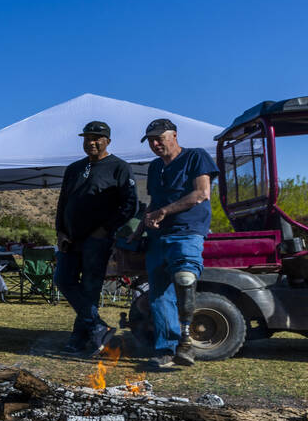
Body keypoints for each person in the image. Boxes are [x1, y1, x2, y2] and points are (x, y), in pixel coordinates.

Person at [54, 121, 138, 354]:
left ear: (107, 141)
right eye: (87, 138)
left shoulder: (119, 167)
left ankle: (78, 339)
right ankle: (98, 327)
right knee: (63, 279)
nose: (91, 142)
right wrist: (60, 231)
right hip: (70, 239)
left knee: (90, 289)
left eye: (96, 138)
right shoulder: (74, 168)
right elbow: (63, 202)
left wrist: (106, 229)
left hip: (98, 240)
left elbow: (130, 204)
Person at [140, 119, 217, 369]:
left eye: (159, 138)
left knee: (184, 278)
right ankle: (167, 349)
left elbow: (201, 193)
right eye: (150, 140)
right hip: (158, 237)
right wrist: (140, 227)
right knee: (159, 295)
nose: (154, 144)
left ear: (174, 135)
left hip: (187, 231)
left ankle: (186, 342)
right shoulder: (155, 167)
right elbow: (153, 203)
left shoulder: (196, 156)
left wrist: (164, 211)